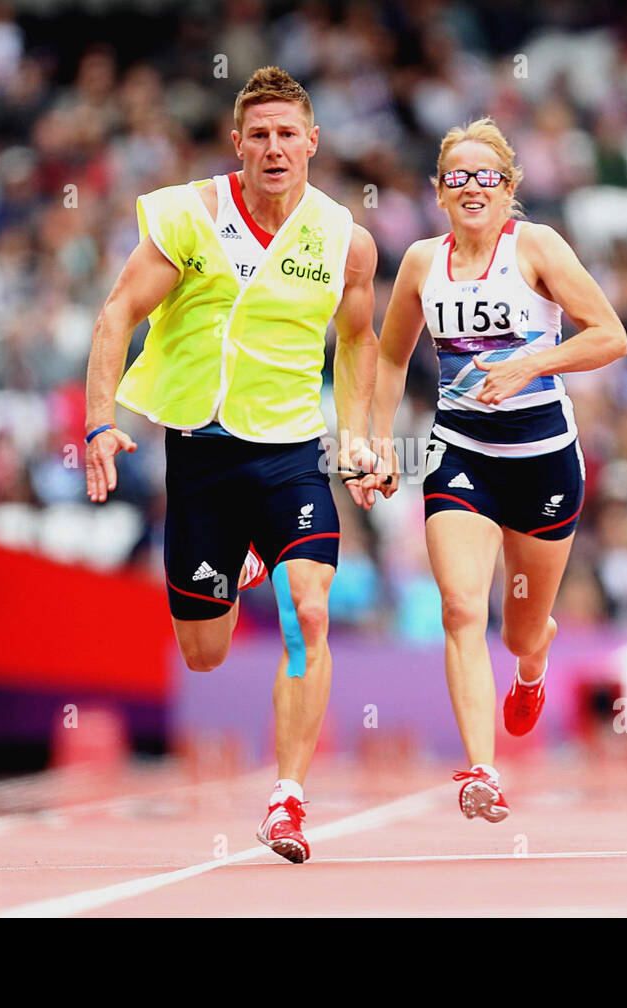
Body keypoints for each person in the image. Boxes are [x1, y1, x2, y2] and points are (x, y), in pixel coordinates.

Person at [84, 66, 382, 863]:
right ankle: (243, 561)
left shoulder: (344, 241)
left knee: (308, 613)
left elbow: (357, 340)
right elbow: (119, 309)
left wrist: (356, 437)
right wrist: (98, 422)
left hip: (289, 451)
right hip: (202, 452)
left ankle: (287, 798)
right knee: (204, 653)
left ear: (313, 142)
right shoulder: (190, 215)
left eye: (289, 134)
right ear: (237, 144)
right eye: (260, 135)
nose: (275, 148)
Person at [369, 118, 627, 821]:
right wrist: (380, 438)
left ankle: (533, 667)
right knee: (459, 607)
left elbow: (611, 334)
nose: (473, 187)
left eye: (488, 176)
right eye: (458, 177)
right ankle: (481, 770)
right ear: (439, 192)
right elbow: (391, 357)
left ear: (509, 188)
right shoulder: (423, 264)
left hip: (542, 462)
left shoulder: (537, 247)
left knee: (520, 631)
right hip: (462, 457)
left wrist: (531, 363)